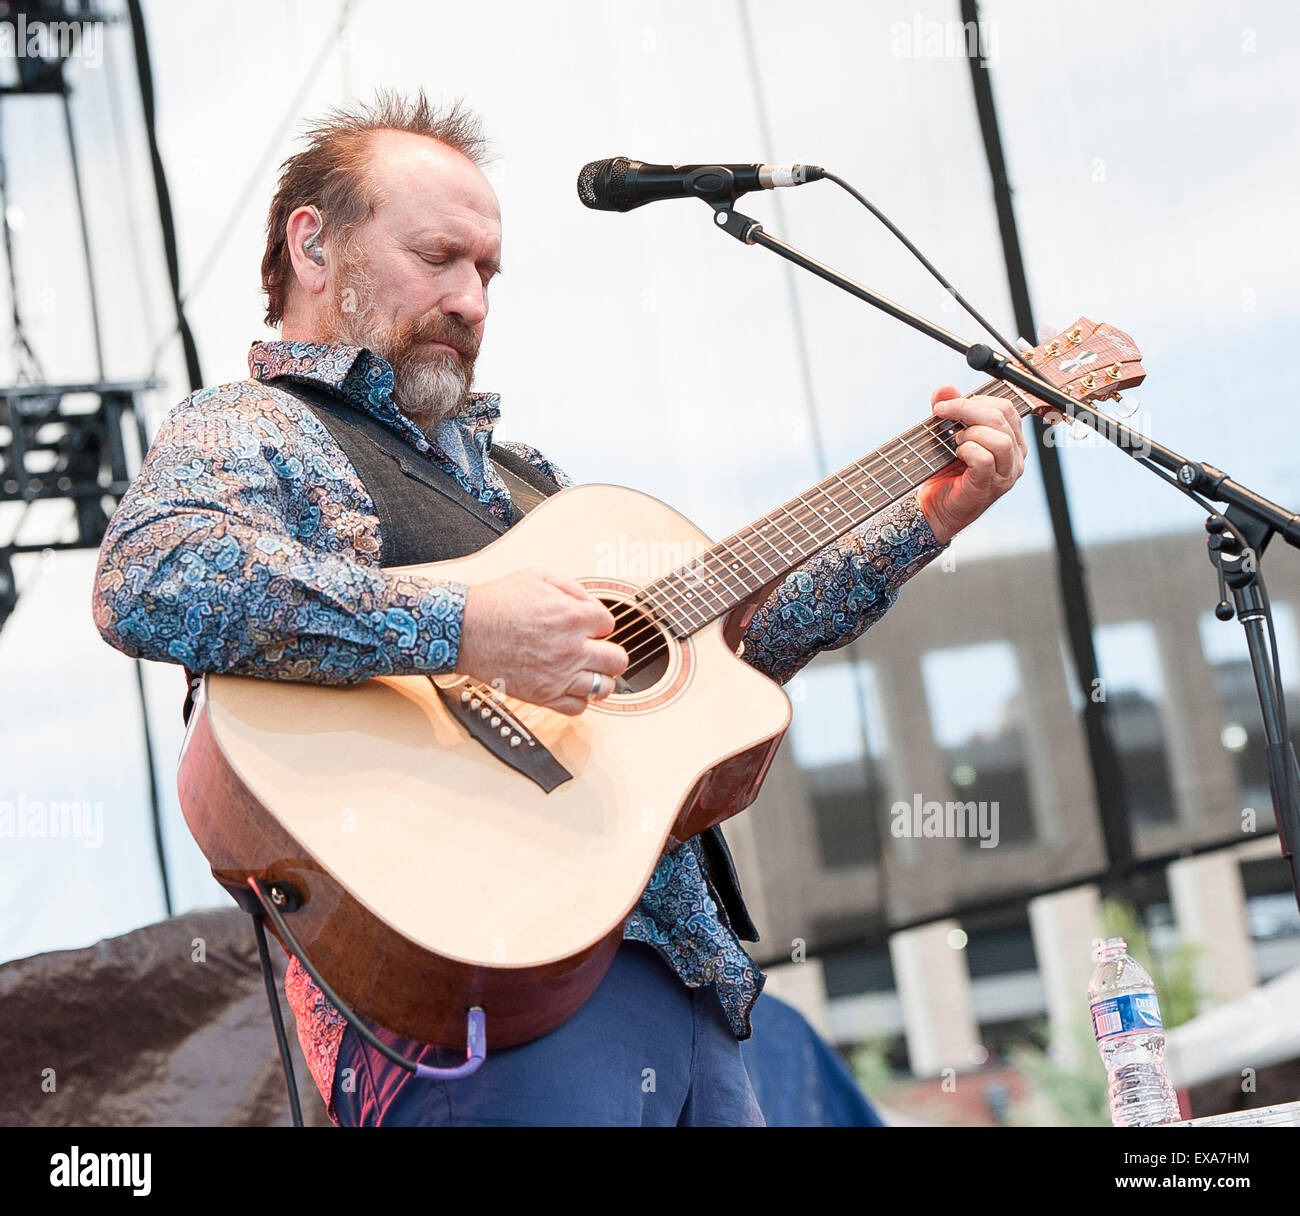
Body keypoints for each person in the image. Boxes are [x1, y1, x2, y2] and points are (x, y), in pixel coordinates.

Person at [91, 91, 1027, 1126]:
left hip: (685, 980)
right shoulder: (253, 426)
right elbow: (156, 576)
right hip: (477, 1005)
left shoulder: (530, 480)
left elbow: (724, 668)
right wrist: (472, 629)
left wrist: (927, 520)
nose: (470, 300)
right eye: (438, 256)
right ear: (314, 246)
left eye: (486, 271)